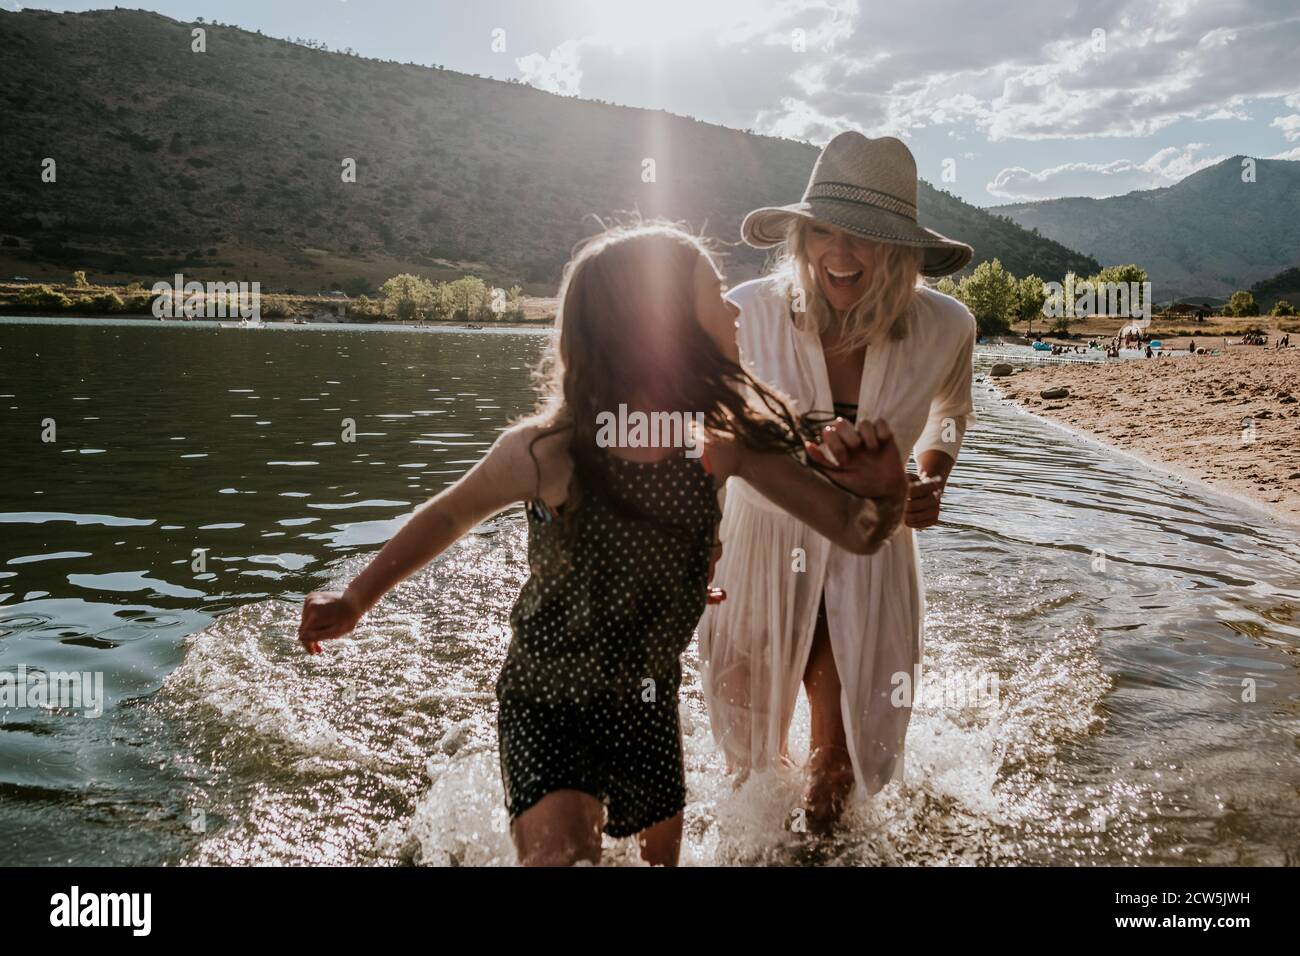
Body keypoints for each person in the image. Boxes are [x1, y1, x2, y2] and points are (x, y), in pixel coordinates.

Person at [296, 223, 908, 866]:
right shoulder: (549, 449)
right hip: (545, 699)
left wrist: (888, 492)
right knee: (562, 858)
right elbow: (447, 517)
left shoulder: (720, 443)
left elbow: (857, 532)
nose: (733, 308)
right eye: (716, 292)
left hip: (646, 703)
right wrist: (357, 598)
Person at [697, 132, 977, 829]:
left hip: (868, 552)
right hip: (755, 545)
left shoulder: (948, 326)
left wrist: (929, 477)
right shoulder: (746, 310)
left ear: (903, 251)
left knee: (835, 782)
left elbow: (950, 414)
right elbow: (691, 422)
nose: (839, 253)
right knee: (750, 767)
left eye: (863, 237)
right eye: (822, 230)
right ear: (800, 236)